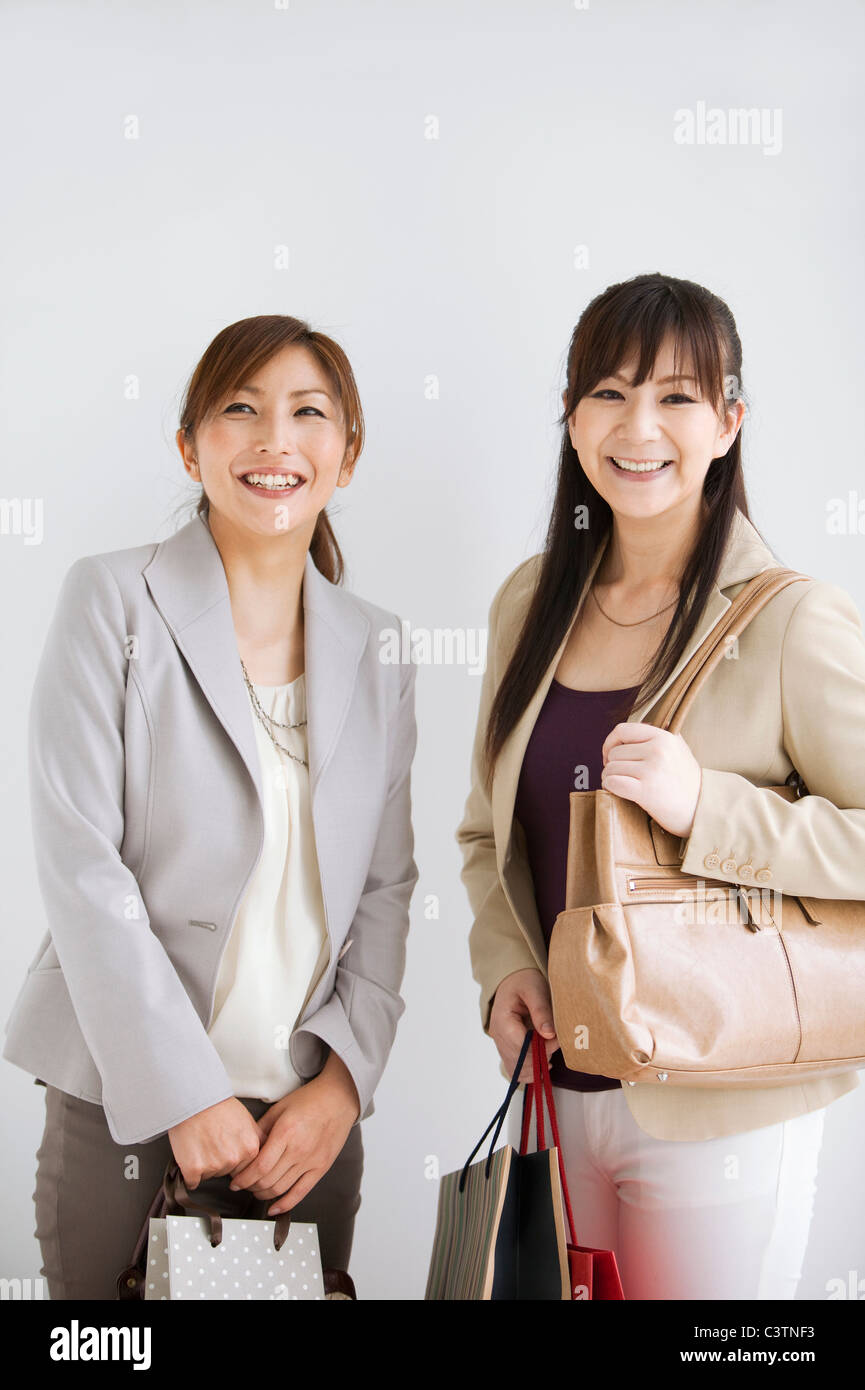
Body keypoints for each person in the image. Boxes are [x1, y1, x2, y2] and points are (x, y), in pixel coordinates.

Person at [456, 272, 865, 1300]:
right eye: (609, 391)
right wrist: (506, 966)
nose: (638, 427)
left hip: (722, 1103)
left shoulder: (789, 619)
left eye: (677, 395)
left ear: (728, 423)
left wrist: (708, 809)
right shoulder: (526, 603)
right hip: (560, 1087)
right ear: (570, 414)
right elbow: (486, 836)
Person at [3, 314, 419, 1299]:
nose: (276, 440)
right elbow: (81, 863)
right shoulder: (112, 598)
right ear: (190, 447)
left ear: (347, 453)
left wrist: (343, 1084)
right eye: (241, 409)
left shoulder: (379, 646)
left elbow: (387, 888)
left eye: (307, 413)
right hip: (127, 1106)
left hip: (303, 1132)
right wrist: (182, 1090)